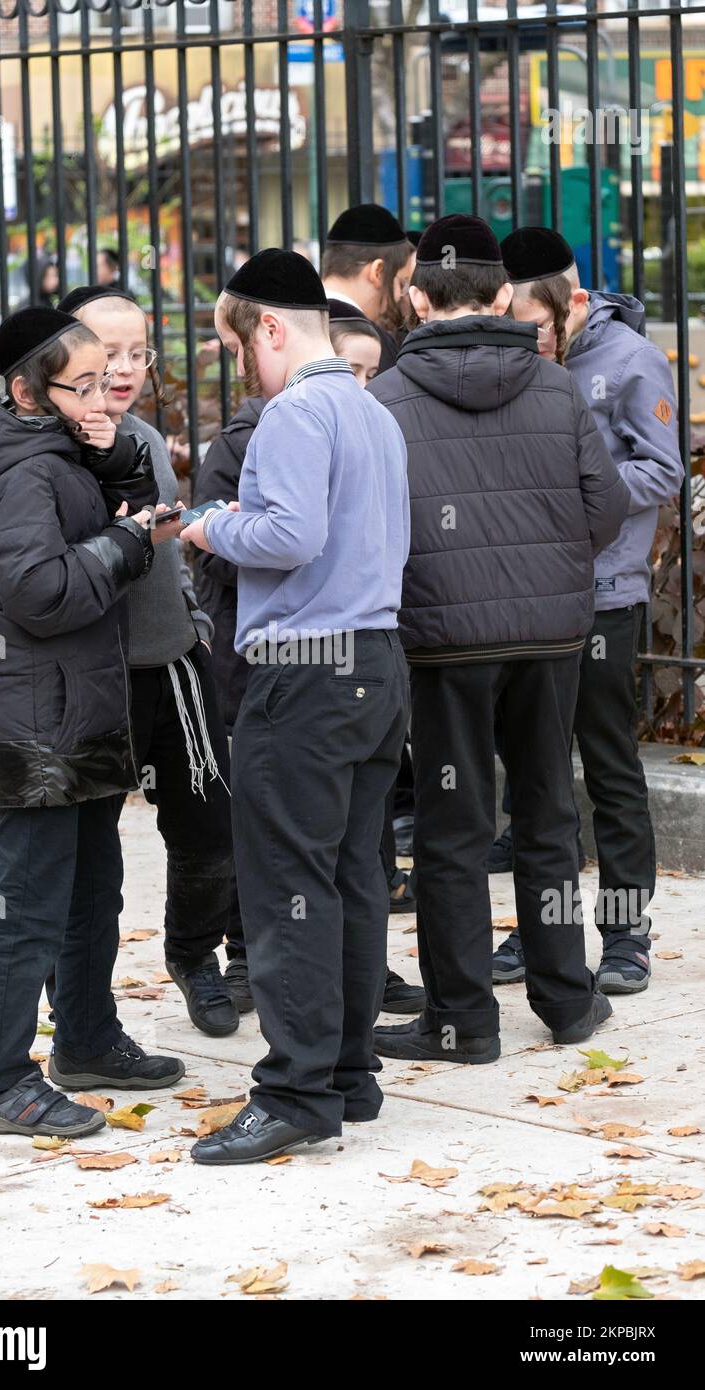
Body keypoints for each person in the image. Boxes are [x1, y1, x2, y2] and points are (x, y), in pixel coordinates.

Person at [0, 306, 188, 1137]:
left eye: (110, 379)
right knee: (28, 898)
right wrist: (129, 544)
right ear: (29, 390)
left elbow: (112, 490)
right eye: (85, 384)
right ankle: (0, 1080)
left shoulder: (52, 443)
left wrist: (117, 454)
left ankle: (89, 1039)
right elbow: (40, 592)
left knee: (92, 886)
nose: (105, 395)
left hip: (79, 700)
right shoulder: (22, 473)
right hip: (41, 712)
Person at [367, 215, 631, 1064]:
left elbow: (372, 528)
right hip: (551, 639)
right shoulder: (557, 388)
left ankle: (463, 1020)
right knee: (550, 814)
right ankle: (567, 998)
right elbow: (607, 508)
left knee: (452, 828)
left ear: (413, 296)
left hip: (443, 640)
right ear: (506, 294)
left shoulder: (387, 400)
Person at [181, 249, 411, 1164]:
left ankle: (295, 1092)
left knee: (286, 888)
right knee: (354, 874)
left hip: (305, 670)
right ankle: (347, 1073)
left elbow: (289, 535)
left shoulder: (294, 411)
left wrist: (210, 524)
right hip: (374, 662)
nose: (238, 364)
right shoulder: (370, 409)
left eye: (235, 345)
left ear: (269, 329)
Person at [489, 227, 684, 995]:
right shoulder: (520, 358)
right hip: (528, 594)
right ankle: (541, 926)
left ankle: (627, 932)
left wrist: (575, 499)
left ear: (572, 301)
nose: (524, 338)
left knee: (607, 766)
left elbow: (662, 471)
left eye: (535, 324)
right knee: (534, 774)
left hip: (605, 595)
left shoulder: (632, 360)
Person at [58, 284, 239, 1038]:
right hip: (96, 678)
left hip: (172, 663)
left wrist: (195, 623)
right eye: (108, 354)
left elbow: (164, 551)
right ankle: (83, 1017)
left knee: (209, 828)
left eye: (139, 352)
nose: (126, 368)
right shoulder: (51, 452)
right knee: (87, 856)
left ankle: (194, 958)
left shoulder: (145, 435)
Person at [322, 203, 416, 372]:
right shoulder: (374, 343)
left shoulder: (290, 324)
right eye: (401, 283)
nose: (398, 296)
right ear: (378, 271)